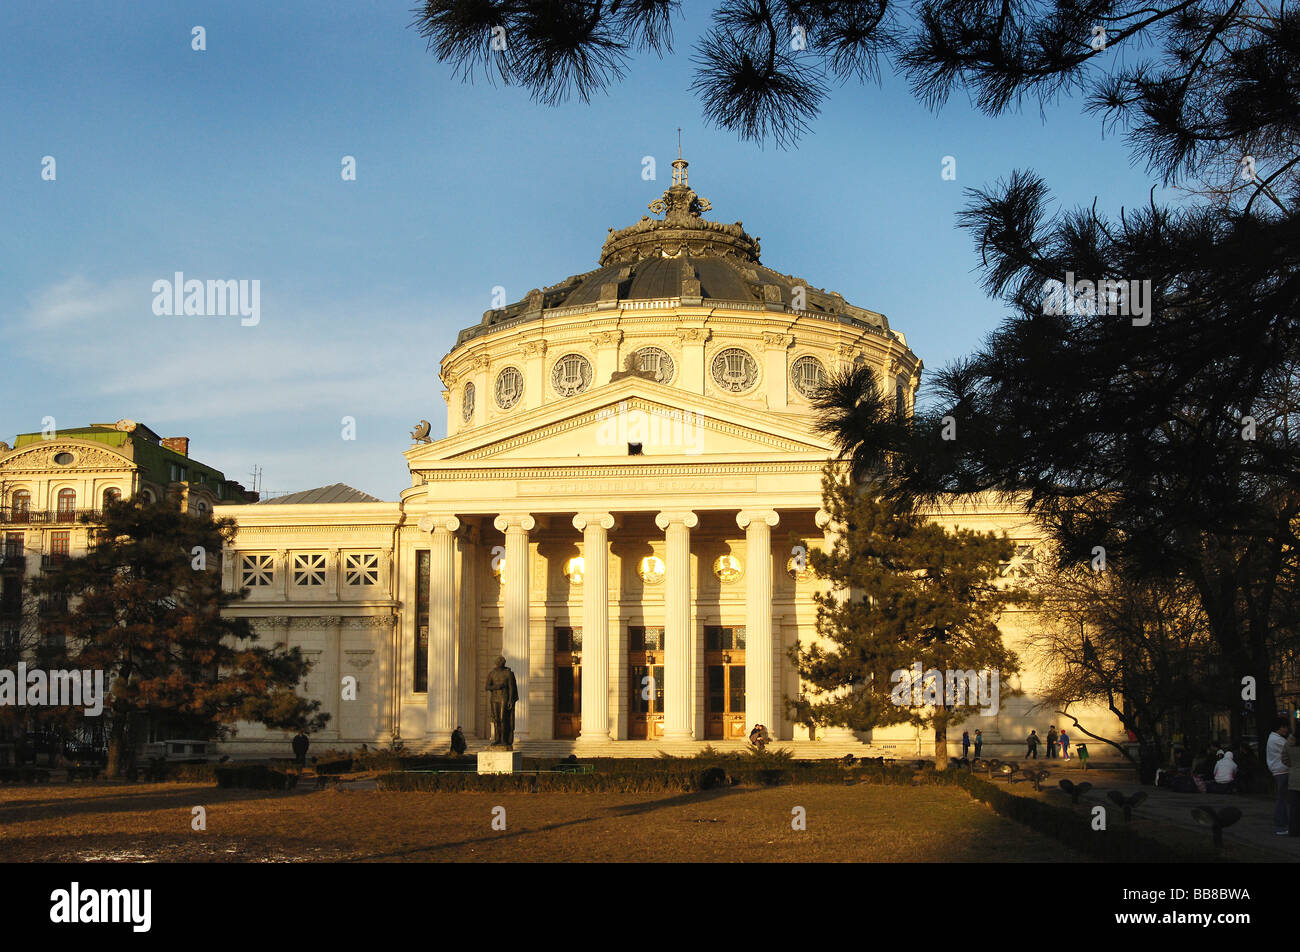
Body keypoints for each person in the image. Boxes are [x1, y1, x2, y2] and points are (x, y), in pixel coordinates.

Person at [1266, 716, 1290, 834]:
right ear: (1278, 727)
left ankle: (1282, 821)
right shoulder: (1278, 740)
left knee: (1283, 798)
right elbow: (1289, 751)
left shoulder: (1274, 738)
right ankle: (1282, 822)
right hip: (1282, 771)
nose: (1286, 729)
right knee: (1283, 798)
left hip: (1279, 771)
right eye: (1284, 727)